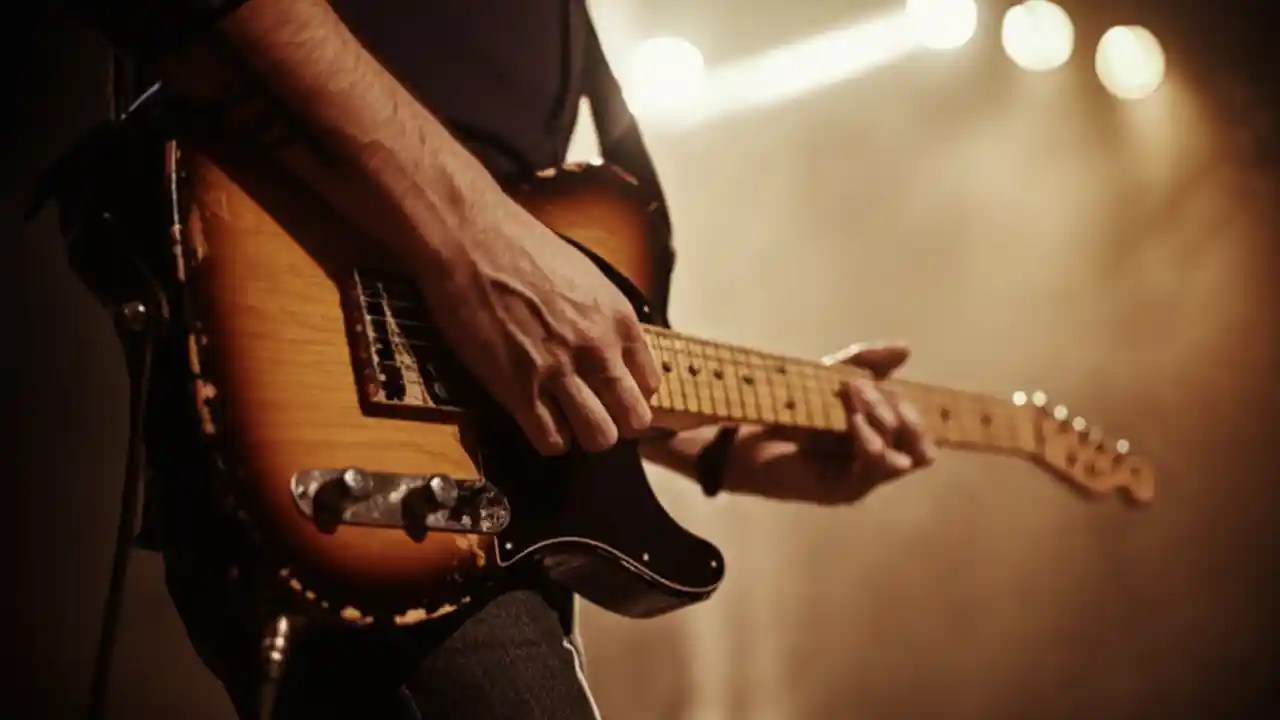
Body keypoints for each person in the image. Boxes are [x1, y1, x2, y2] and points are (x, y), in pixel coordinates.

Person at [61, 1, 937, 717]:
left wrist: (726, 450)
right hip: (336, 432)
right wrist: (475, 240)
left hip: (468, 494)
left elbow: (511, 344)